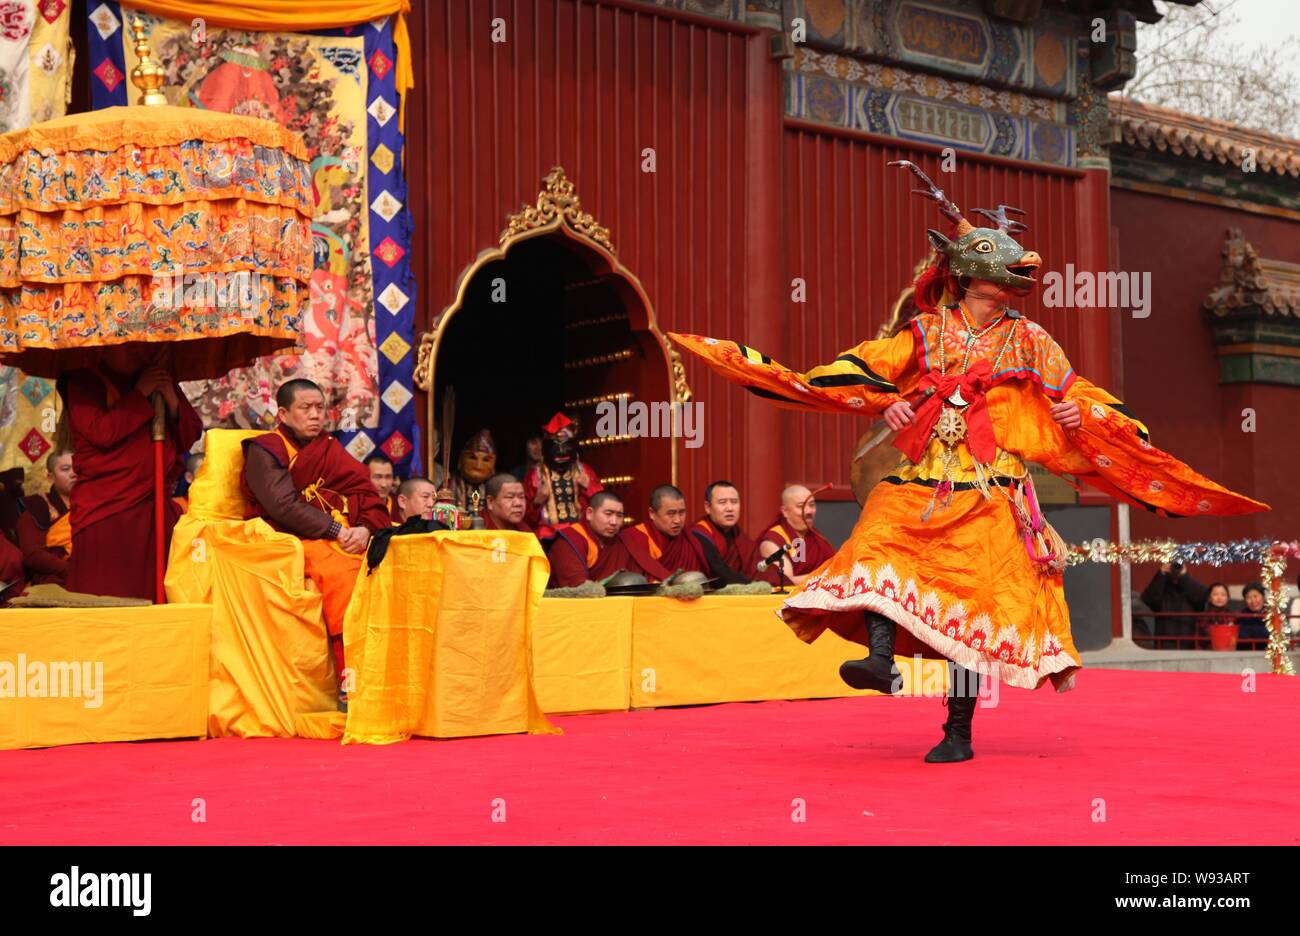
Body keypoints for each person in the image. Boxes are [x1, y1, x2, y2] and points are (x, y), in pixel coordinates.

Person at [668, 160, 1267, 763]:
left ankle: (958, 731)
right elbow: (862, 367)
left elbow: (1077, 392)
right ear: (962, 269)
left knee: (967, 608)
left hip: (990, 489)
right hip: (924, 478)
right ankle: (878, 659)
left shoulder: (1031, 339)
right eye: (996, 256)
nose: (1019, 266)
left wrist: (1078, 418)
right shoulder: (926, 331)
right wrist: (891, 404)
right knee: (876, 537)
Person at [240, 379, 390, 699]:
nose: (315, 415)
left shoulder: (328, 448)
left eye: (320, 408)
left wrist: (365, 529)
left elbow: (364, 491)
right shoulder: (265, 449)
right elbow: (281, 505)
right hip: (288, 536)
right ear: (283, 413)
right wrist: (337, 532)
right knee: (343, 575)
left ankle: (390, 669)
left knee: (391, 561)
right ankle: (351, 679)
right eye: (305, 408)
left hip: (341, 533)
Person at [60, 344, 203, 600]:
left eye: (143, 345)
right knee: (107, 591)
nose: (139, 350)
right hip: (107, 507)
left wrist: (169, 395)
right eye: (129, 345)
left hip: (153, 503)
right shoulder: (84, 382)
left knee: (153, 588)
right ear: (105, 347)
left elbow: (189, 435)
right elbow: (102, 433)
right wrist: (140, 393)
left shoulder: (156, 377)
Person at [546, 491, 655, 587]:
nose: (614, 522)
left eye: (619, 515)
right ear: (589, 513)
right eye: (608, 514)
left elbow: (643, 578)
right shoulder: (571, 540)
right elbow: (575, 587)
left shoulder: (623, 542)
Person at [525, 413, 603, 540]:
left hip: (579, 533)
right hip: (546, 535)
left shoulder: (584, 471)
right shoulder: (535, 475)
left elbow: (601, 505)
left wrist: (589, 487)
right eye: (556, 446)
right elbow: (524, 518)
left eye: (566, 445)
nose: (561, 451)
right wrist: (536, 502)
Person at [620, 484, 708, 582]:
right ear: (652, 513)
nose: (678, 520)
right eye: (671, 514)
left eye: (682, 512)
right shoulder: (633, 537)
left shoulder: (691, 540)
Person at [756, 485, 836, 587]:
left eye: (812, 505)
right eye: (801, 506)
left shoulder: (817, 538)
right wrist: (826, 576)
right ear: (785, 512)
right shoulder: (774, 540)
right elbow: (785, 582)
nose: (808, 511)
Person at [16, 450, 76, 586]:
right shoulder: (38, 506)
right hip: (56, 580)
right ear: (50, 477)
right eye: (65, 469)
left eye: (77, 468)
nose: (74, 474)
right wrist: (72, 571)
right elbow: (32, 554)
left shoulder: (92, 505)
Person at [689, 480, 757, 584]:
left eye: (734, 502)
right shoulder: (700, 533)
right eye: (722, 502)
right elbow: (719, 571)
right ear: (708, 507)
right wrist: (752, 584)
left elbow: (755, 567)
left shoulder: (738, 535)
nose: (730, 508)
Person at [1141, 562, 1210, 650]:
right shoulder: (1162, 591)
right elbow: (1149, 598)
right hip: (1165, 644)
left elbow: (1202, 596)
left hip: (1189, 643)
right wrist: (1161, 573)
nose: (1174, 567)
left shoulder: (1191, 588)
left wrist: (1184, 576)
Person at [450, 429, 498, 521]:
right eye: (472, 458)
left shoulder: (496, 489)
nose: (478, 466)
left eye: (486, 460)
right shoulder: (449, 487)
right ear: (460, 460)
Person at [364, 453, 402, 524]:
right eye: (378, 477)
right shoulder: (356, 506)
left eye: (388, 477)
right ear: (365, 478)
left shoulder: (400, 505)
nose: (384, 484)